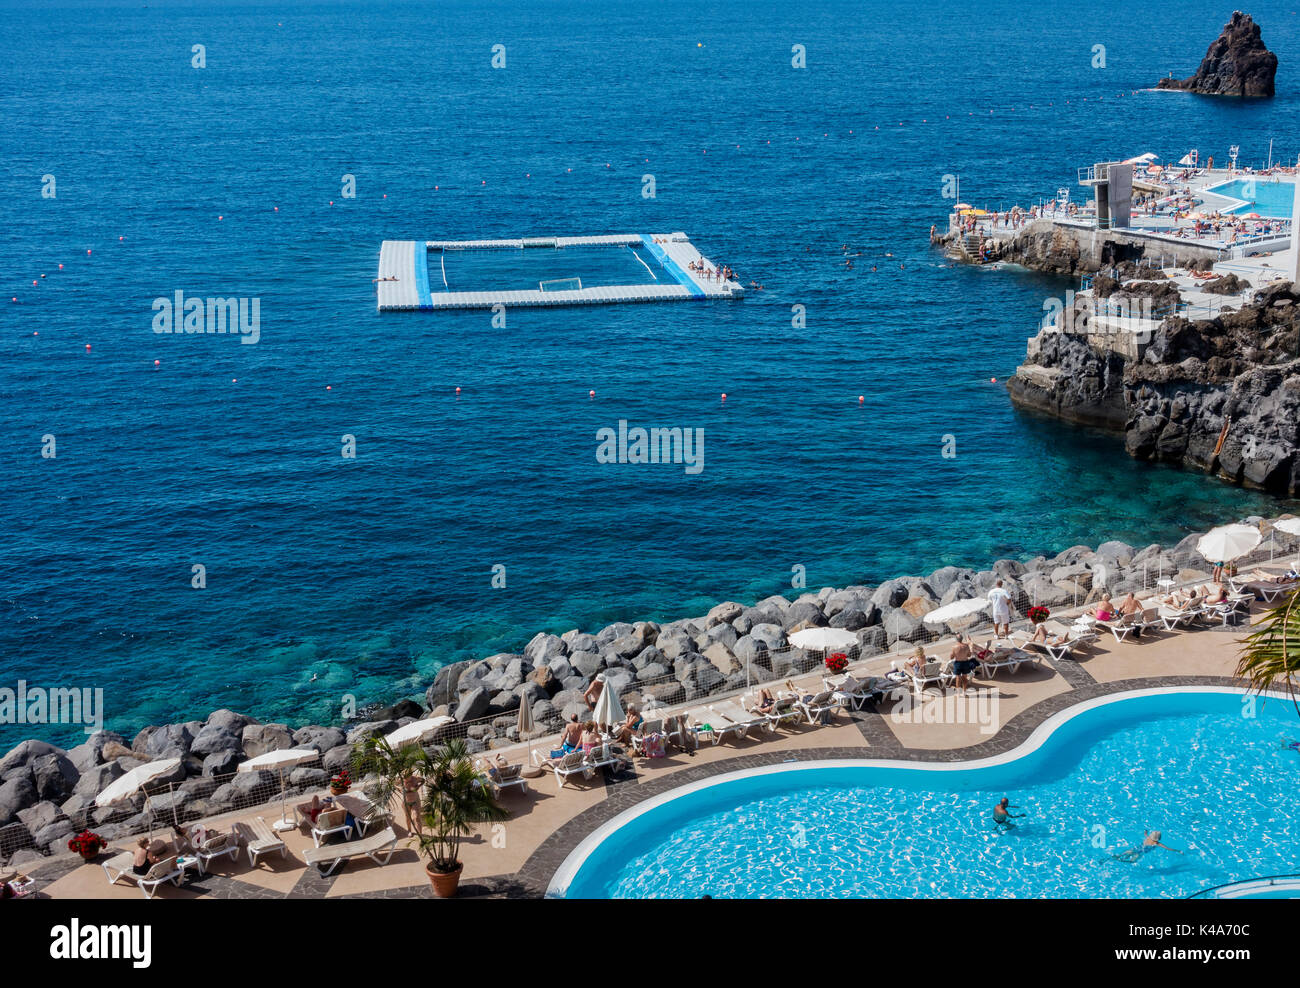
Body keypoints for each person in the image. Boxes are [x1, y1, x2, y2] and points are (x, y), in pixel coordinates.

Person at [1113, 829, 1181, 861]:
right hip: (1141, 852)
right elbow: (1168, 848)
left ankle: (1118, 856)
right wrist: (1178, 851)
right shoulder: (1157, 843)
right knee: (1132, 861)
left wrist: (1145, 831)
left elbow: (1145, 834)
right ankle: (1122, 861)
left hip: (1137, 848)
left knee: (1129, 852)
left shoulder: (1148, 837)